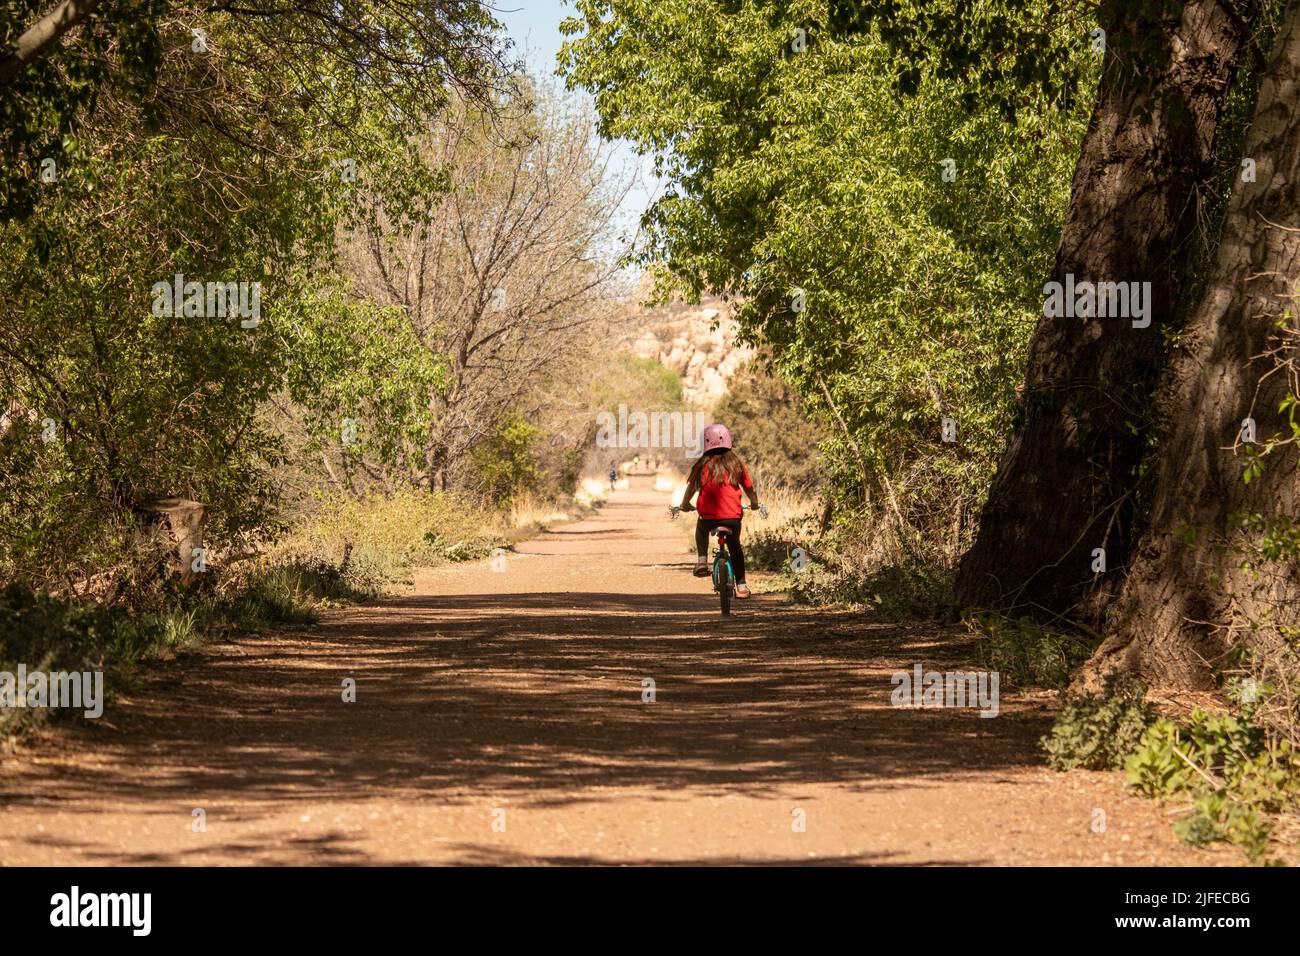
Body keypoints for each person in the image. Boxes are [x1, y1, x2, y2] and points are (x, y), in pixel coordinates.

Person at [677, 424, 760, 598]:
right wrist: (754, 503)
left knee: (701, 528)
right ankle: (742, 587)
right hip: (732, 518)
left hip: (708, 518)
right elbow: (749, 487)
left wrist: (685, 504)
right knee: (735, 546)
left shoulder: (702, 465)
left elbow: (691, 489)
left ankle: (701, 561)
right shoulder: (735, 463)